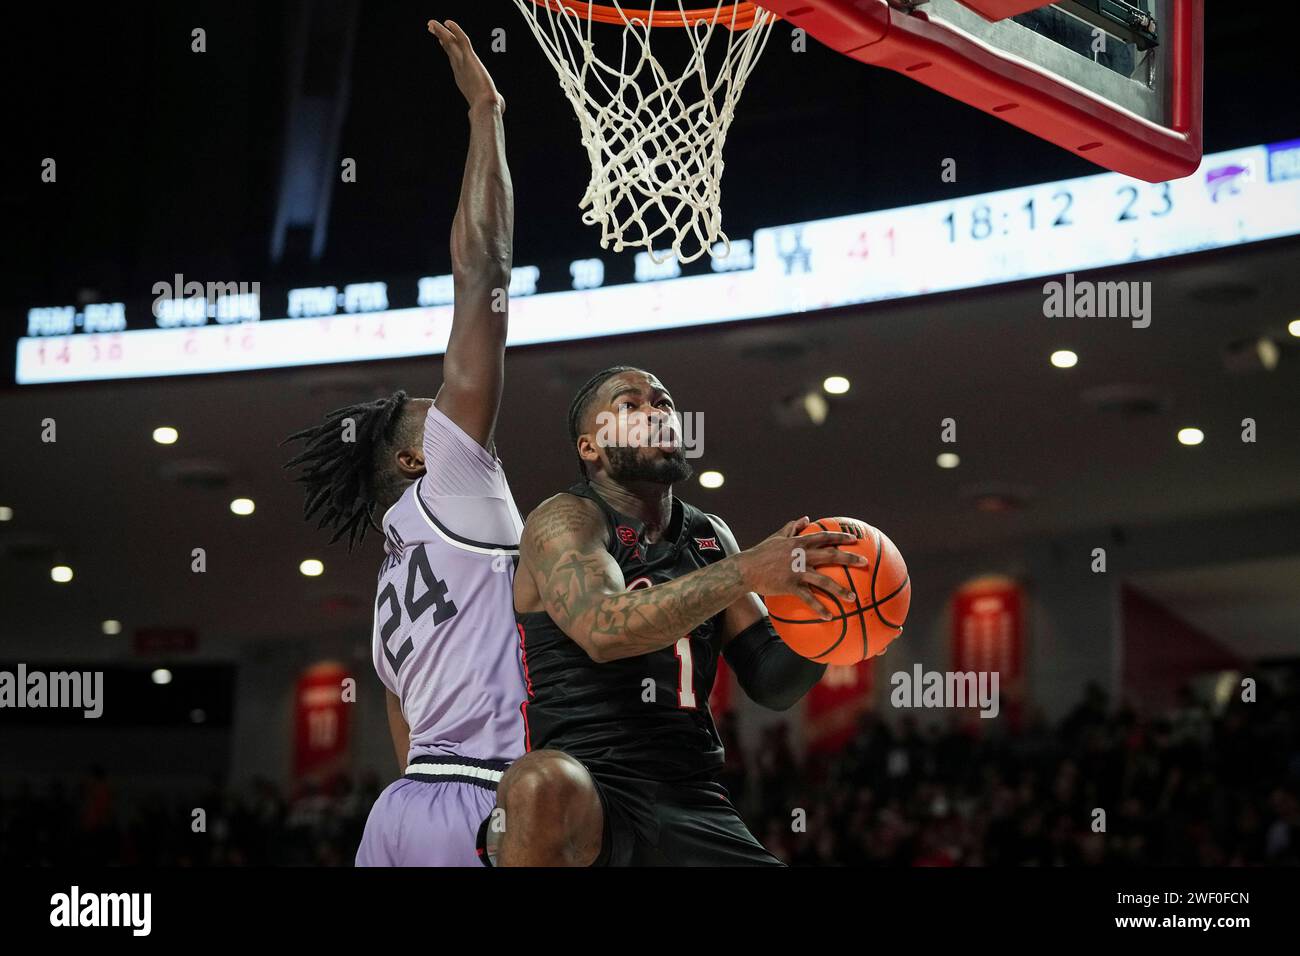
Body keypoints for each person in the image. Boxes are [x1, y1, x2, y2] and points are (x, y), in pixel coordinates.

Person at [283, 20, 521, 866]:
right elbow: (482, 273)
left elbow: (400, 717)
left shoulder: (391, 571)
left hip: (399, 811)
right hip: (490, 801)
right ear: (417, 459)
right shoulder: (450, 485)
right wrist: (485, 113)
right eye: (436, 412)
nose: (458, 415)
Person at [489, 366, 868, 865]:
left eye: (664, 402)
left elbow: (771, 680)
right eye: (631, 405)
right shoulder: (563, 520)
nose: (657, 412)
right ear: (590, 449)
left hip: (691, 798)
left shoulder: (710, 536)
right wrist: (746, 570)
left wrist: (836, 626)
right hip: (589, 792)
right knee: (539, 781)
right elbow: (604, 629)